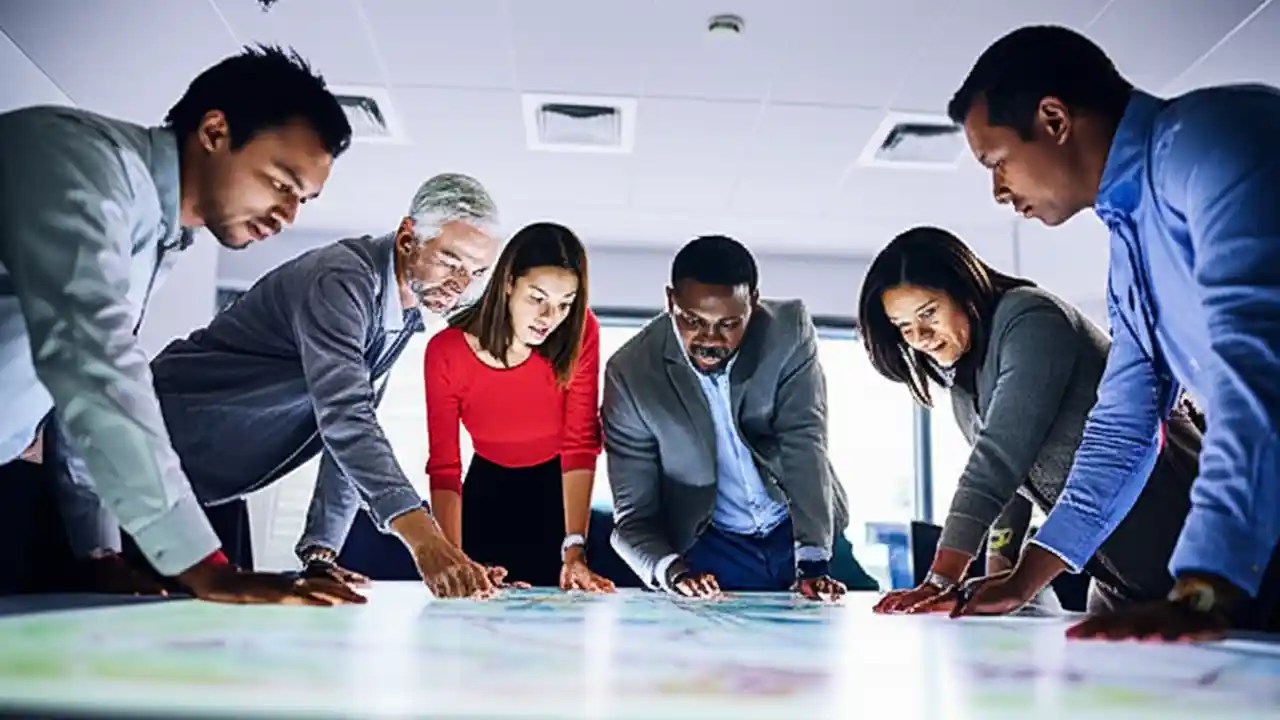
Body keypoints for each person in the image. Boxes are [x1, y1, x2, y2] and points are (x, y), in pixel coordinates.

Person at [947, 25, 1280, 640]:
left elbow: (1257, 371)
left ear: (1053, 119)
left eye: (997, 163)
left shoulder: (1211, 141)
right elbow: (1123, 430)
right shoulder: (1130, 248)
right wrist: (1028, 576)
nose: (998, 191)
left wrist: (1206, 585)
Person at [0, 45, 360, 605]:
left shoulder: (161, 233)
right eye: (281, 183)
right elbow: (89, 361)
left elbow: (72, 396)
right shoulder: (78, 160)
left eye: (303, 200)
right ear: (215, 131)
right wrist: (205, 566)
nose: (288, 215)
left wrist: (99, 552)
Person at [55, 173, 506, 600]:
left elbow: (350, 434)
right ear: (408, 238)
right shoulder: (342, 281)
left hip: (209, 491)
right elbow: (345, 419)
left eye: (478, 273)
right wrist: (425, 539)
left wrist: (321, 552)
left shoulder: (398, 319)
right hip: (143, 465)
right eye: (451, 260)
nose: (462, 284)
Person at [859, 227, 1202, 617]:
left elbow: (997, 461)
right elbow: (1012, 487)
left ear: (964, 287)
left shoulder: (1030, 318)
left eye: (929, 313)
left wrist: (940, 579)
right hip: (1120, 580)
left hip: (1198, 549)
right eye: (904, 328)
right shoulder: (964, 390)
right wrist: (997, 574)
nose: (920, 336)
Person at [603, 235, 875, 600]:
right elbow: (633, 517)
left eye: (729, 324)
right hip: (711, 547)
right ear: (670, 301)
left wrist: (813, 561)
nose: (710, 339)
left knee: (866, 619)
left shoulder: (787, 331)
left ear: (754, 304)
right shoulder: (631, 373)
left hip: (804, 527)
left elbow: (803, 441)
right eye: (692, 321)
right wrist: (675, 574)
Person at [404, 221, 611, 591]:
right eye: (538, 298)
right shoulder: (446, 352)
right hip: (486, 492)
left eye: (565, 304)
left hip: (557, 496)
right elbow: (445, 465)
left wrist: (574, 547)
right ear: (509, 283)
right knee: (475, 618)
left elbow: (579, 443)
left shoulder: (581, 332)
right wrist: (454, 557)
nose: (550, 317)